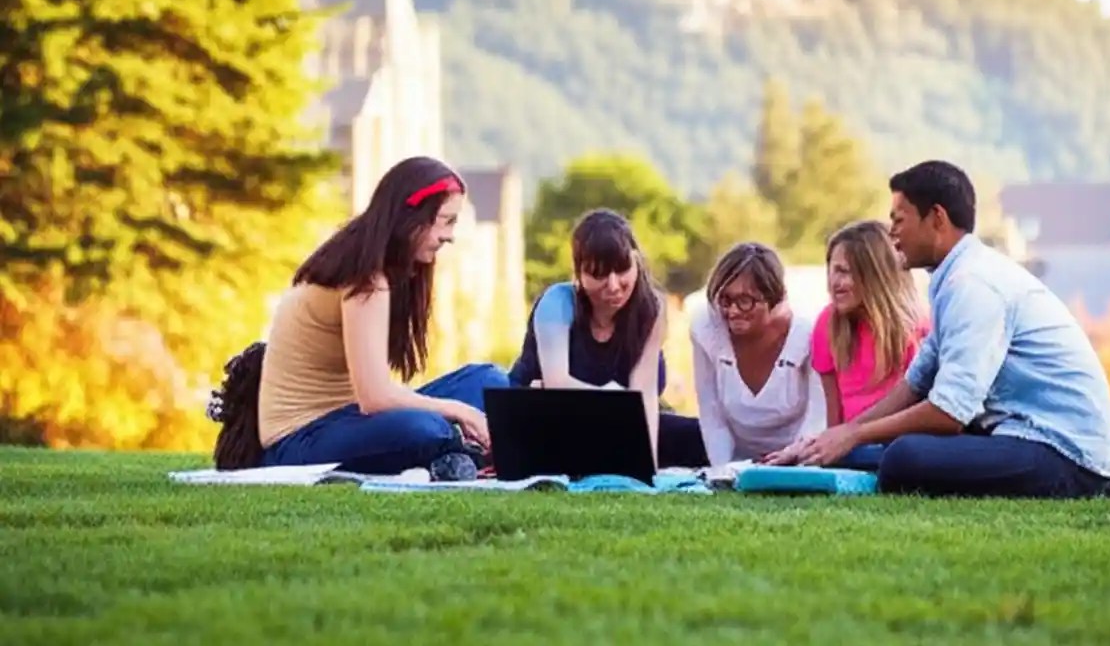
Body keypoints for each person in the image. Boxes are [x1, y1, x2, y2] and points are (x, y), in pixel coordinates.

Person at [767, 160, 1110, 499]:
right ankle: (816, 457)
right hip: (1018, 435)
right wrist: (837, 437)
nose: (892, 233)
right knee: (868, 451)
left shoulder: (973, 285)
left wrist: (855, 434)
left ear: (936, 218)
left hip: (1061, 452)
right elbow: (916, 383)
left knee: (905, 458)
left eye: (899, 220)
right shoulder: (953, 280)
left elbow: (949, 414)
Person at [205, 156, 510, 480]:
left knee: (489, 381)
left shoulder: (385, 269)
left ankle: (457, 454)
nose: (450, 236)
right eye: (446, 221)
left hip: (350, 422)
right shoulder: (364, 277)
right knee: (427, 428)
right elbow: (376, 398)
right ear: (413, 219)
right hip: (298, 442)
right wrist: (461, 411)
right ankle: (458, 452)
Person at [508, 208, 708, 468]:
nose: (613, 285)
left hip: (620, 424)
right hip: (553, 420)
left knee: (703, 437)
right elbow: (557, 384)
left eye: (622, 269)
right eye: (598, 274)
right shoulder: (557, 302)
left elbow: (644, 396)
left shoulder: (651, 310)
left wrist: (645, 465)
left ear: (636, 261)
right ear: (579, 273)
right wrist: (616, 399)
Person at [689, 243, 825, 466]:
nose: (732, 311)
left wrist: (795, 463)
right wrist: (724, 471)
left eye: (745, 301)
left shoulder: (808, 333)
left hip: (798, 455)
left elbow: (818, 416)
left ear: (773, 299)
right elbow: (711, 414)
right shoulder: (706, 327)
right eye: (725, 300)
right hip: (737, 459)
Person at [811, 221, 929, 429]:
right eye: (832, 270)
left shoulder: (916, 328)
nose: (834, 282)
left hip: (897, 442)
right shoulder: (827, 323)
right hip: (848, 446)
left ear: (875, 276)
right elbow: (834, 415)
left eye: (844, 271)